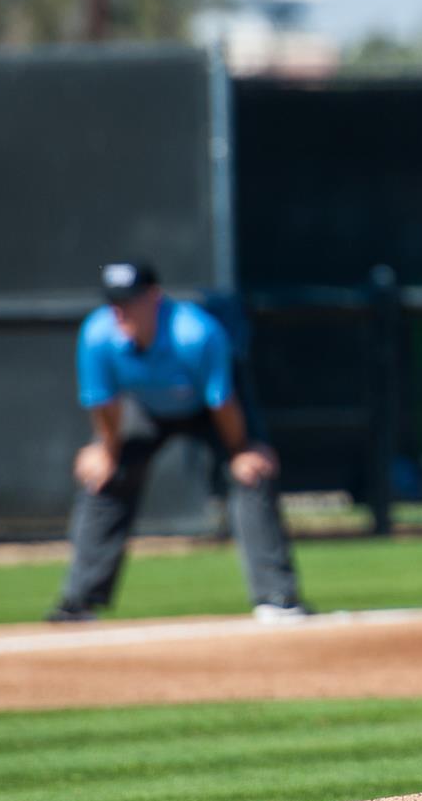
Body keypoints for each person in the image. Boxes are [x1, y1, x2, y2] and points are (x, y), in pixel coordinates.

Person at [45, 261, 309, 624]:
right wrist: (107, 451)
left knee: (251, 471)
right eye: (113, 302)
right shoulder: (97, 334)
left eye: (129, 301)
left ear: (154, 297)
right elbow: (102, 402)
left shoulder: (196, 334)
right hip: (146, 408)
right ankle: (80, 601)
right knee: (105, 475)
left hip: (210, 409)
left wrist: (238, 450)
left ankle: (277, 596)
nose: (119, 311)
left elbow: (223, 402)